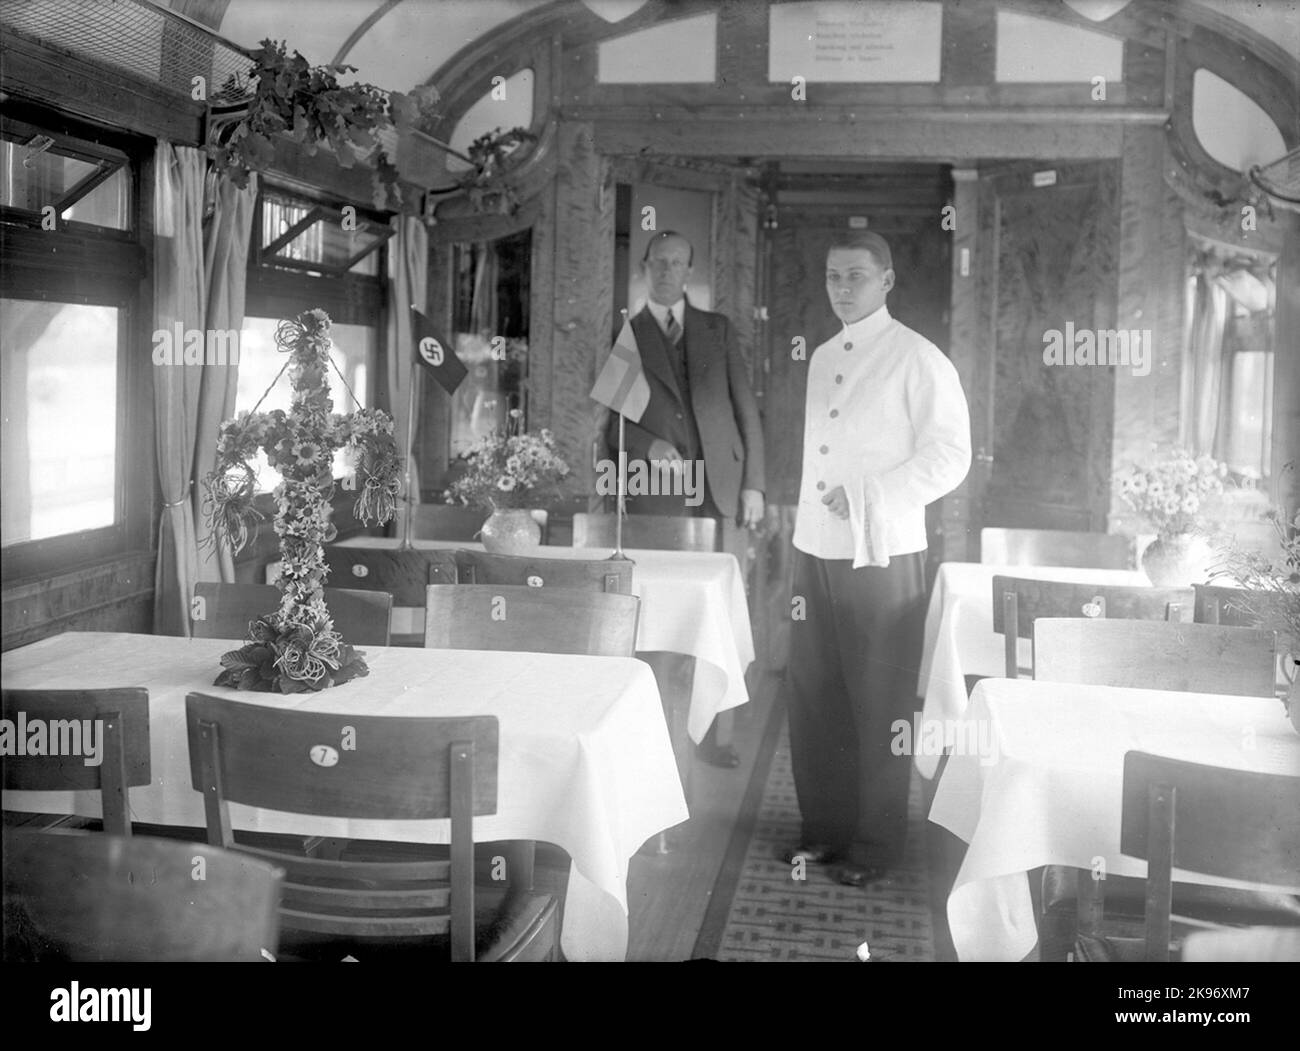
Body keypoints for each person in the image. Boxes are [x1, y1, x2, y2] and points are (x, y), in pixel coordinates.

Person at [779, 230, 970, 886]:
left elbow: (951, 455)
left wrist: (873, 497)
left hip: (883, 555)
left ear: (887, 280)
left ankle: (876, 843)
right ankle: (823, 830)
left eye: (856, 275)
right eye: (834, 275)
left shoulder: (919, 358)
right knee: (813, 698)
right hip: (815, 551)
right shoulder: (823, 354)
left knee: (879, 703)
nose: (842, 287)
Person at [603, 229, 766, 767]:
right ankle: (659, 736)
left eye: (679, 262)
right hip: (660, 496)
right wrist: (648, 445)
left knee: (722, 612)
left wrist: (756, 485)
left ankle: (717, 737)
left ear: (690, 271)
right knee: (666, 616)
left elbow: (747, 410)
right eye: (660, 262)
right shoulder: (626, 334)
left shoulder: (716, 330)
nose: (669, 271)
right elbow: (613, 430)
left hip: (721, 492)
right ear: (645, 268)